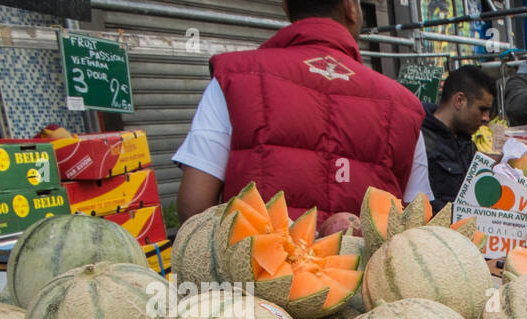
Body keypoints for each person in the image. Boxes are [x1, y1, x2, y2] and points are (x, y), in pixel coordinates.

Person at [174, 0, 429, 224]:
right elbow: (418, 217)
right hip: (370, 278)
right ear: (351, 7)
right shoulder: (405, 106)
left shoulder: (233, 78)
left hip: (262, 275)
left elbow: (195, 208)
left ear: (287, 7)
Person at [422, 66, 495, 213]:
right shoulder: (422, 142)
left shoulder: (466, 142)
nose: (486, 118)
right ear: (459, 100)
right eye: (482, 109)